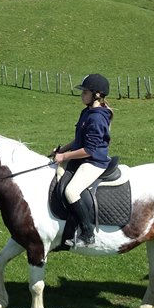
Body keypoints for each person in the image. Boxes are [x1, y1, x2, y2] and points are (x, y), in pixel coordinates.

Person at [52, 74, 113, 247]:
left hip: (95, 162)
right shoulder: (87, 112)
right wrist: (61, 149)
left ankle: (88, 233)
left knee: (71, 192)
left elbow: (88, 150)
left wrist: (64, 157)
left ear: (97, 94)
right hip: (83, 157)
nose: (82, 95)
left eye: (85, 92)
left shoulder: (97, 117)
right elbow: (79, 140)